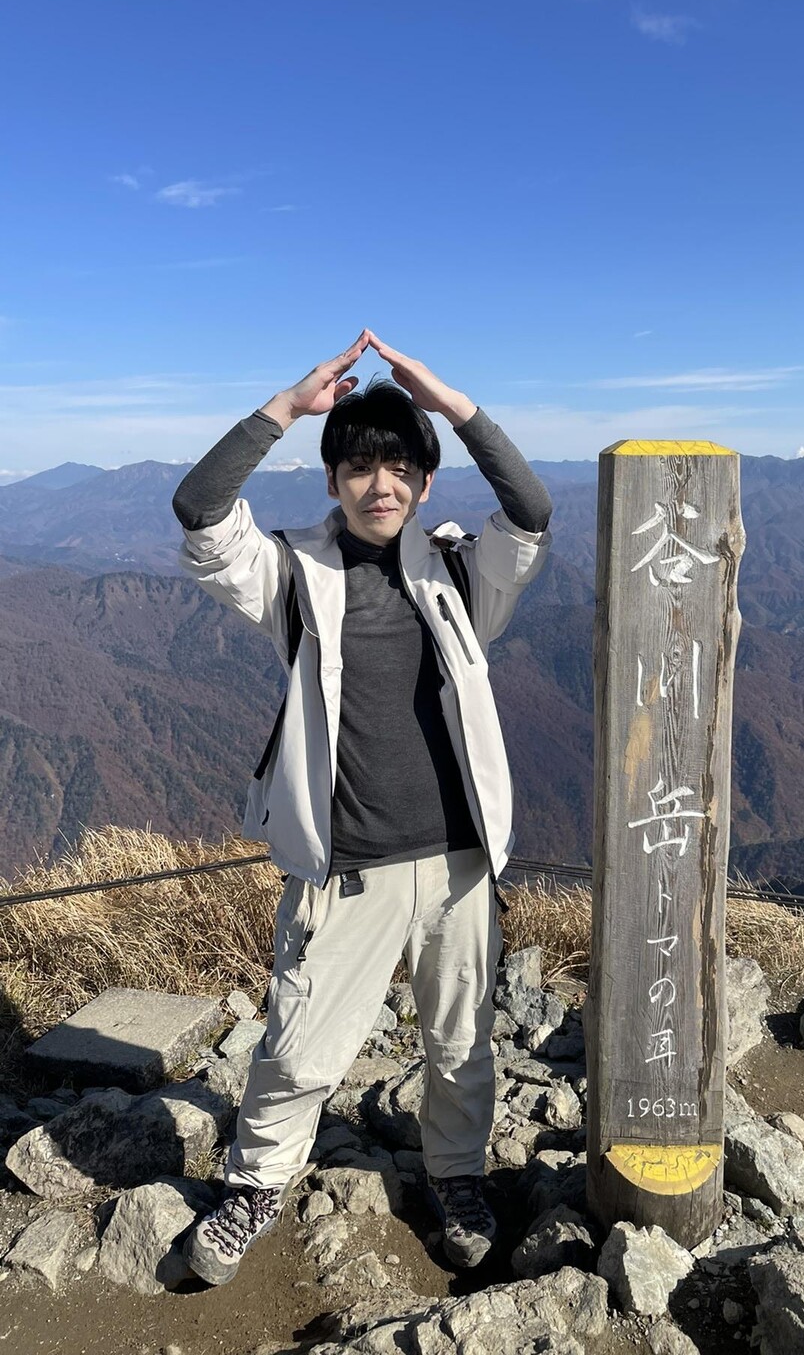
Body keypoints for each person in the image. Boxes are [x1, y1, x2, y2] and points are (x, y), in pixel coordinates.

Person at [171, 330, 552, 1284]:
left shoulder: (461, 573)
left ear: (425, 482)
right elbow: (200, 511)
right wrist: (286, 409)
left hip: (461, 862)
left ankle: (455, 1175)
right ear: (335, 478)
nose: (380, 484)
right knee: (300, 1043)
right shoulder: (293, 573)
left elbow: (532, 511)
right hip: (348, 863)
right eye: (359, 466)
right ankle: (257, 1183)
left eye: (398, 467)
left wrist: (454, 407)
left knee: (461, 1042)